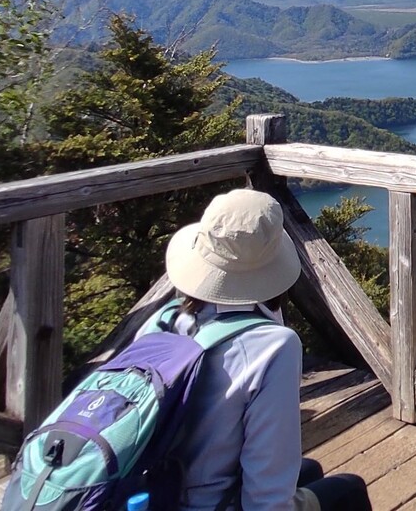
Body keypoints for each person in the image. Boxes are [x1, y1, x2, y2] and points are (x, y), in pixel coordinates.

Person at [143, 188, 371, 511]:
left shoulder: (163, 322)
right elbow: (267, 502)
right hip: (209, 504)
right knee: (349, 490)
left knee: (310, 470)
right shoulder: (273, 347)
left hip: (149, 495)